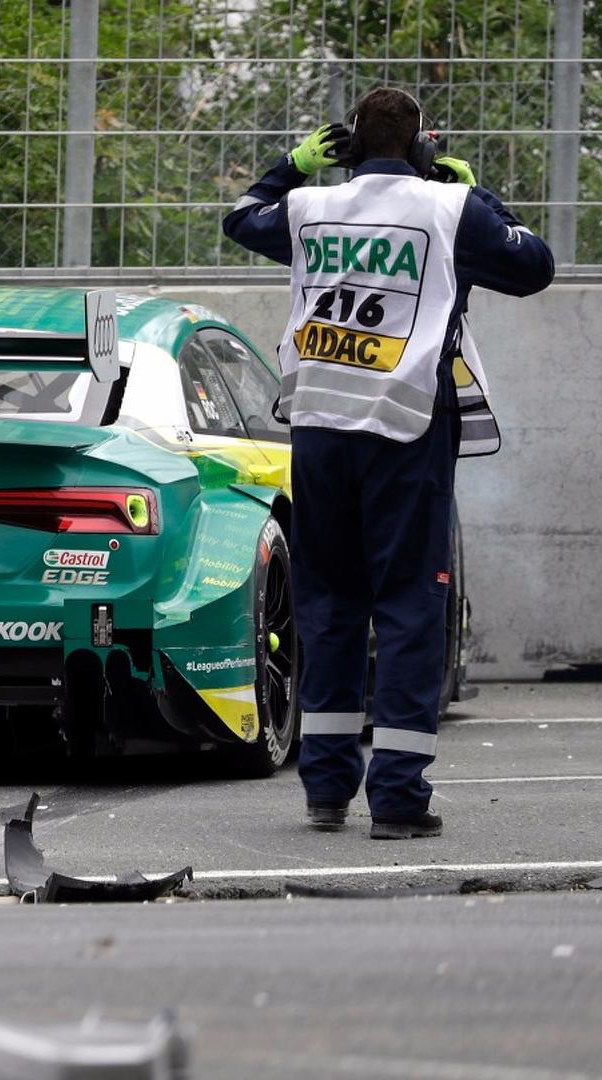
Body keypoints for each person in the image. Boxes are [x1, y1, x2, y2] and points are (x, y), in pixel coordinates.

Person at [223, 87, 554, 839]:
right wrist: (476, 192)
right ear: (420, 147)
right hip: (405, 429)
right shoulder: (446, 210)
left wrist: (291, 165)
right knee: (409, 605)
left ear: (348, 145)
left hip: (319, 429)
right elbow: (534, 265)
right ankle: (399, 800)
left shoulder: (310, 205)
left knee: (330, 603)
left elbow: (240, 218)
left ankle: (326, 790)